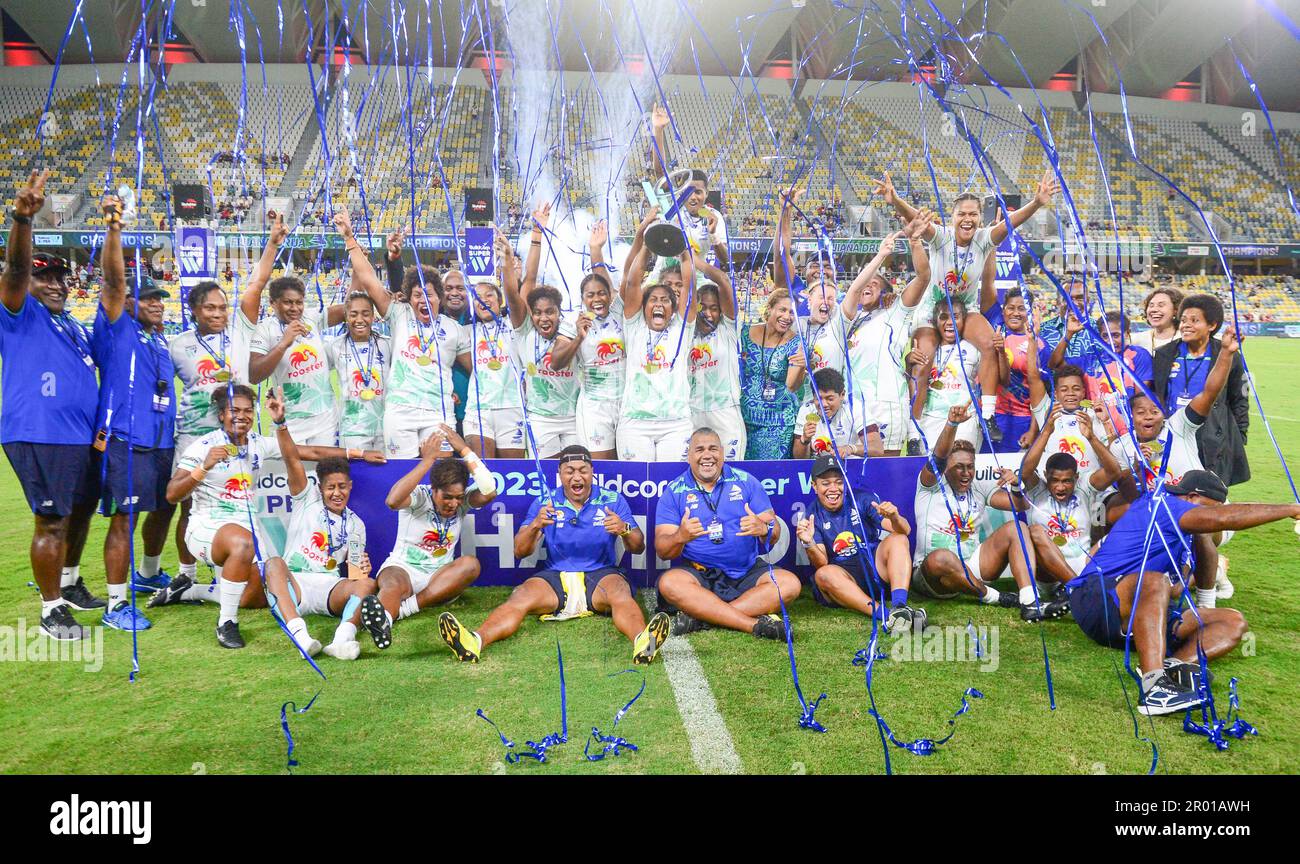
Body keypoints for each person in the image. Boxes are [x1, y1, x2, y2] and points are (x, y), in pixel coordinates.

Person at [162, 386, 382, 648]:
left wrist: (357, 453)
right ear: (222, 415)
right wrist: (204, 467)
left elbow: (306, 452)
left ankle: (190, 590)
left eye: (247, 411)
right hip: (207, 526)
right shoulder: (203, 447)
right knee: (243, 546)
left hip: (247, 531)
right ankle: (226, 623)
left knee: (254, 597)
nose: (242, 416)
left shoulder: (257, 443)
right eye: (235, 411)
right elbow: (173, 495)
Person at [1065, 470, 1295, 715]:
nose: (1209, 517)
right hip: (1096, 601)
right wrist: (1291, 509)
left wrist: (1194, 560)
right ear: (1192, 497)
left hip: (1134, 619)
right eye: (1208, 509)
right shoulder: (1164, 503)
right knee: (1154, 581)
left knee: (1232, 621)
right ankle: (1154, 690)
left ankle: (1171, 669)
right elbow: (1222, 519)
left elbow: (1174, 591)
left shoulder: (1183, 535)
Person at [437, 446, 671, 665]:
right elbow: (520, 551)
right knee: (521, 597)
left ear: (592, 473)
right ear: (560, 474)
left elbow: (638, 546)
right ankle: (474, 641)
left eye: (583, 471)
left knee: (620, 593)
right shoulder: (545, 501)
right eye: (569, 471)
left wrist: (624, 529)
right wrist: (535, 525)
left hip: (601, 575)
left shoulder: (612, 500)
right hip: (555, 577)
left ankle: (644, 643)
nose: (577, 477)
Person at [874, 170, 1059, 438]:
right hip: (933, 310)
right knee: (923, 362)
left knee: (989, 345)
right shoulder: (941, 237)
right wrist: (894, 200)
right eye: (962, 214)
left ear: (980, 219)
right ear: (953, 218)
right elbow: (918, 218)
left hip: (967, 309)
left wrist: (1037, 203)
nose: (968, 219)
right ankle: (913, 431)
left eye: (973, 214)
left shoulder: (984, 239)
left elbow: (1008, 224)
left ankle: (988, 415)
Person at [0, 171, 103, 640]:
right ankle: (50, 610)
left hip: (79, 439)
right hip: (40, 434)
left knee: (79, 512)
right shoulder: (20, 313)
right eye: (46, 278)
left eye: (62, 277)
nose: (57, 285)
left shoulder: (74, 326)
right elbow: (16, 272)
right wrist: (23, 219)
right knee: (52, 520)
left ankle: (70, 582)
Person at [90, 217, 179, 631]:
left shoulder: (158, 337)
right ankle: (115, 603)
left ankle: (147, 573)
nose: (157, 304)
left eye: (160, 298)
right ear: (127, 302)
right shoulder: (116, 329)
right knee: (124, 519)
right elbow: (112, 283)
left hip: (162, 444)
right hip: (126, 440)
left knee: (163, 508)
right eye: (147, 299)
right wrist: (114, 230)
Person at [1113, 327, 1242, 606]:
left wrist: (1226, 355)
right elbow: (1124, 496)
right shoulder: (1121, 446)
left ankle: (1206, 602)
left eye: (1155, 410)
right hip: (1158, 519)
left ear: (1164, 413)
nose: (1149, 416)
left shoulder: (1179, 426)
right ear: (1129, 415)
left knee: (1199, 526)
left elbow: (1209, 391)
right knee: (1117, 516)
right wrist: (1138, 467)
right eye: (1140, 411)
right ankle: (1213, 569)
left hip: (1202, 510)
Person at [910, 404, 1069, 621]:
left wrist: (1015, 485)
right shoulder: (930, 484)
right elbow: (938, 457)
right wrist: (952, 424)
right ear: (946, 468)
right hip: (933, 575)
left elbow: (1019, 505)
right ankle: (996, 597)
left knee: (1018, 527)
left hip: (972, 566)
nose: (967, 473)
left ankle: (1029, 601)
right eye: (959, 467)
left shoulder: (978, 488)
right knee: (942, 558)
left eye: (970, 467)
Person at [654, 427, 798, 638]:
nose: (707, 455)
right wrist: (680, 537)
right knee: (670, 583)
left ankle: (703, 618)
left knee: (790, 584)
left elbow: (774, 532)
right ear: (689, 456)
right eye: (699, 449)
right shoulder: (674, 491)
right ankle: (752, 625)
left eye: (713, 449)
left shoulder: (747, 481)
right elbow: (662, 550)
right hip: (699, 575)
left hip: (746, 571)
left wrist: (764, 528)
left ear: (722, 453)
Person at [361, 426, 497, 649]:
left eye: (458, 497)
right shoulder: (419, 495)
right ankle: (382, 620)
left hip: (439, 579)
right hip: (403, 568)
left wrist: (464, 449)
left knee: (471, 564)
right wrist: (427, 461)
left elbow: (490, 490)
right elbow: (392, 501)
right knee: (392, 583)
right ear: (434, 489)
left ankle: (402, 611)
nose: (453, 504)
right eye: (447, 497)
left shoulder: (462, 503)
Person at [354, 215, 469, 459]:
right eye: (417, 295)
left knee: (441, 474)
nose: (423, 300)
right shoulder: (399, 314)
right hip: (400, 411)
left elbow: (477, 370)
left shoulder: (453, 329)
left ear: (439, 297)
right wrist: (348, 239)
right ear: (409, 298)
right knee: (403, 473)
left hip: (438, 411)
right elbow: (367, 279)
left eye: (428, 294)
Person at [261, 435, 376, 661]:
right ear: (320, 487)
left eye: (342, 487)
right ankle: (301, 637)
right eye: (330, 487)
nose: (337, 493)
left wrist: (363, 569)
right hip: (295, 585)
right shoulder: (307, 498)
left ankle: (341, 641)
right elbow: (292, 458)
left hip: (328, 587)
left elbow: (354, 575)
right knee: (274, 563)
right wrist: (280, 425)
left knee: (367, 584)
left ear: (350, 486)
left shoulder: (356, 524)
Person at [247, 214, 352, 446]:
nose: (295, 308)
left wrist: (356, 266)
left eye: (299, 302)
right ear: (273, 303)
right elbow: (254, 375)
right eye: (287, 302)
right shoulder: (266, 330)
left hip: (326, 419)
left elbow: (349, 309)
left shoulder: (311, 318)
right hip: (291, 424)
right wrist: (284, 343)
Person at [1006, 401, 1130, 586]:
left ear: (1076, 478)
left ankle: (1094, 585)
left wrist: (1091, 438)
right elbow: (1024, 472)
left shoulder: (1084, 488)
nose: (1060, 487)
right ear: (1046, 476)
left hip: (1082, 565)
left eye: (1066, 481)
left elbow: (1114, 472)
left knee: (1119, 535)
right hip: (1047, 573)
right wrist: (1046, 431)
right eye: (1055, 481)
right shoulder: (1037, 488)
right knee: (1036, 533)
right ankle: (1076, 587)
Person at [796, 455, 924, 634]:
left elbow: (905, 530)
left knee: (898, 539)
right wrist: (809, 543)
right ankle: (887, 616)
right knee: (823, 574)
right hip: (845, 579)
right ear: (814, 486)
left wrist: (894, 517)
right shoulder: (812, 514)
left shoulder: (862, 499)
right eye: (826, 483)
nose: (833, 489)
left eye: (838, 482)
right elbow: (822, 563)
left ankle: (900, 605)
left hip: (874, 567)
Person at [839, 213, 932, 455]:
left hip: (885, 404)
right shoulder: (852, 318)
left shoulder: (895, 313)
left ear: (885, 292)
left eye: (875, 283)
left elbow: (923, 277)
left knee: (884, 472)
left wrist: (914, 242)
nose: (868, 285)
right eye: (865, 282)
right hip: (853, 406)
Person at [617, 207, 699, 461]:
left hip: (675, 423)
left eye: (665, 300)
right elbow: (632, 283)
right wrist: (647, 244)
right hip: (634, 422)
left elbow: (690, 284)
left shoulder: (681, 329)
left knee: (672, 487)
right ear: (643, 307)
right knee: (636, 489)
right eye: (653, 299)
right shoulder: (634, 326)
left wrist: (683, 247)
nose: (659, 304)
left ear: (674, 308)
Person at [1152, 293, 1249, 488]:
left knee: (1209, 496)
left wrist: (1239, 435)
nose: (1185, 325)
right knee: (1174, 489)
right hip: (1174, 433)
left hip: (1211, 436)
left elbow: (1239, 399)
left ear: (1212, 325)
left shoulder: (1227, 355)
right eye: (1183, 320)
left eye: (1194, 320)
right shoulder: (1164, 354)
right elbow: (1157, 394)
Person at [506, 204, 580, 458]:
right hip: (540, 419)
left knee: (575, 473)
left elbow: (560, 360)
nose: (543, 317)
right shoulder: (525, 330)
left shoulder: (569, 327)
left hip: (573, 416)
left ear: (559, 312)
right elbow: (529, 280)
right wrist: (536, 235)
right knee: (548, 475)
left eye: (550, 311)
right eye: (537, 312)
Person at [551, 221, 625, 460]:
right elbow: (556, 362)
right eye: (590, 294)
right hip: (594, 408)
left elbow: (602, 278)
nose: (597, 298)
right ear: (582, 298)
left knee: (626, 467)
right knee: (602, 469)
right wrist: (578, 339)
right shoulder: (574, 321)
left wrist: (596, 249)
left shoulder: (619, 313)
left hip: (627, 403)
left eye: (602, 293)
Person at [463, 235, 526, 457]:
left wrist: (507, 263)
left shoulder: (515, 325)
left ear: (499, 300)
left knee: (512, 473)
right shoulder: (466, 331)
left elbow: (514, 294)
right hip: (478, 410)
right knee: (482, 474)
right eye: (478, 297)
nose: (483, 300)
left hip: (512, 407)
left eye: (489, 294)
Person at [688, 255, 745, 460]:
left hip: (725, 412)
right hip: (691, 413)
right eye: (702, 306)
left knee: (731, 473)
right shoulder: (685, 334)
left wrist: (694, 260)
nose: (708, 313)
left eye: (714, 308)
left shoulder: (728, 329)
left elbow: (723, 280)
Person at [739, 287, 806, 459]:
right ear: (769, 309)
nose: (787, 317)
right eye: (782, 310)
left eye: (792, 312)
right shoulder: (745, 333)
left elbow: (791, 385)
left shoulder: (796, 342)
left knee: (771, 475)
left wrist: (803, 366)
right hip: (744, 418)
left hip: (778, 421)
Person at [910, 299, 982, 449]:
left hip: (964, 421)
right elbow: (912, 384)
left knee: (961, 466)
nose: (950, 322)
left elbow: (995, 379)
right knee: (931, 470)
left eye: (955, 317)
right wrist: (909, 361)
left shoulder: (973, 347)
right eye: (943, 317)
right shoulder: (926, 348)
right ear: (936, 322)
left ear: (963, 320)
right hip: (930, 420)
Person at [989, 288, 1044, 452]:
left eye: (1022, 309)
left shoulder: (1039, 345)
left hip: (1022, 420)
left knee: (1016, 474)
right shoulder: (990, 335)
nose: (1016, 313)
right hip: (992, 418)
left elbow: (1040, 391)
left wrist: (1033, 429)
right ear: (1003, 309)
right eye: (1011, 307)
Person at [1086, 311, 1152, 438]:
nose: (1111, 341)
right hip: (1098, 430)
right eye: (1105, 336)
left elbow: (1141, 399)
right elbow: (1055, 364)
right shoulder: (1091, 359)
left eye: (1115, 335)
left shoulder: (1138, 355)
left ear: (1127, 333)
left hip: (1128, 430)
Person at [793, 368, 880, 458]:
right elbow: (799, 458)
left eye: (830, 399)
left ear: (842, 394)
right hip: (820, 467)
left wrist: (851, 449)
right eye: (818, 398)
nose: (824, 404)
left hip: (850, 465)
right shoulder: (806, 410)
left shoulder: (854, 407)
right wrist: (805, 440)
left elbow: (877, 448)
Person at [1131, 286, 1184, 354]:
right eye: (1151, 305)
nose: (1154, 310)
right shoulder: (1135, 341)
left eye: (1161, 305)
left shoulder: (1187, 340)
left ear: (1176, 310)